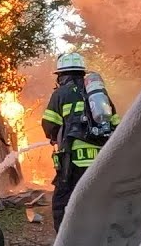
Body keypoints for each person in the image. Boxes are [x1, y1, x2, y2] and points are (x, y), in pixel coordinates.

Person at [41, 53, 121, 233]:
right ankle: (105, 234)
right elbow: (116, 124)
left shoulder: (60, 94)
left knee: (62, 202)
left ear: (62, 75)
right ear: (81, 72)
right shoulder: (98, 94)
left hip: (74, 161)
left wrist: (55, 137)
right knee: (98, 198)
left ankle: (65, 241)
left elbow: (48, 124)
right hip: (101, 160)